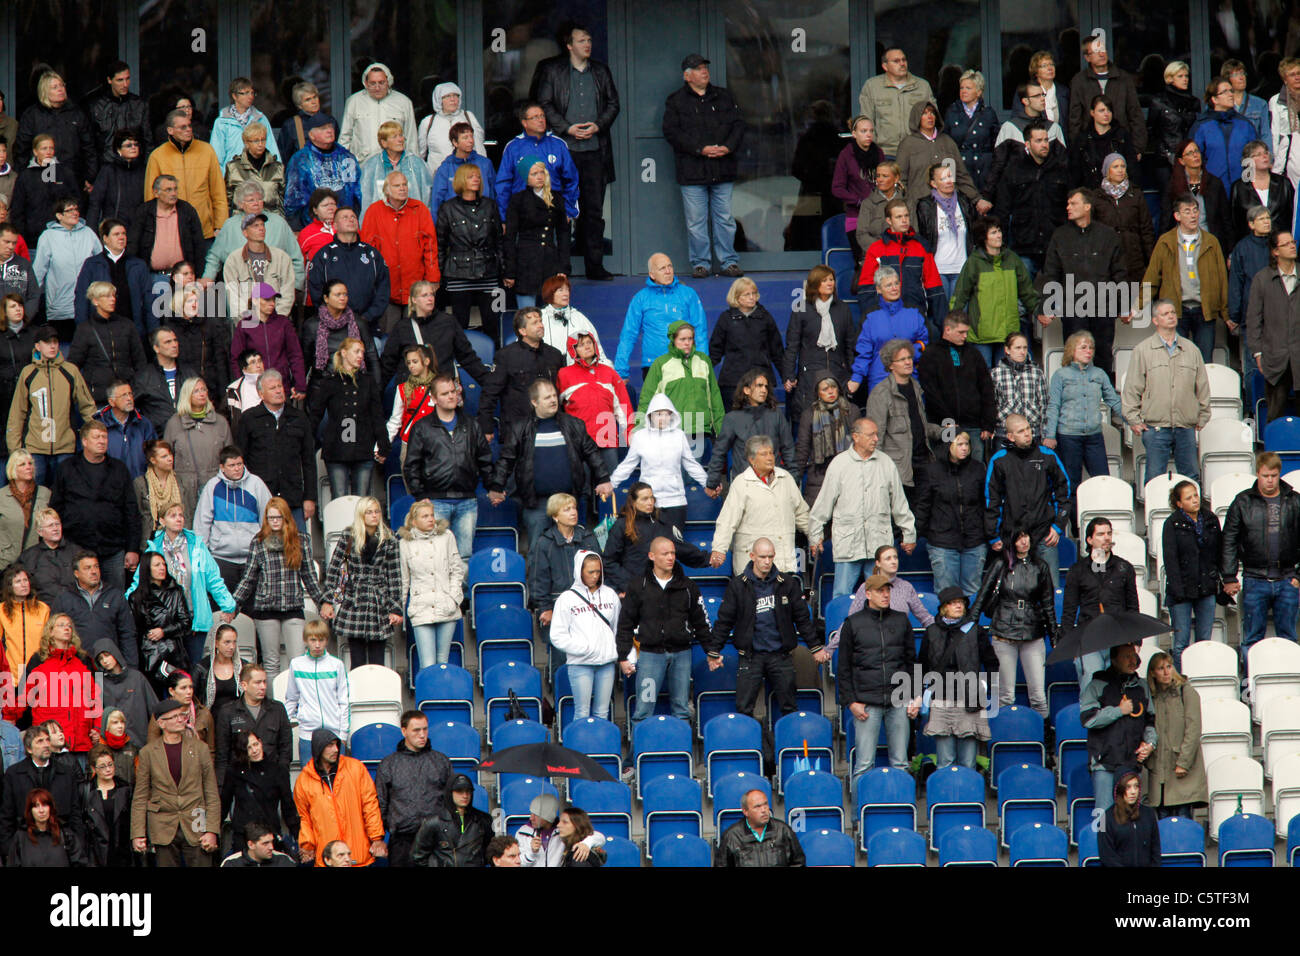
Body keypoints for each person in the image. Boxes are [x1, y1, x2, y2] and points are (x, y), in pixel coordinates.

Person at [707, 537, 818, 747]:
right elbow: (724, 620)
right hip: (751, 656)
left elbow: (803, 618)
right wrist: (714, 650)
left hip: (781, 656)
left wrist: (815, 647)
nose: (767, 561)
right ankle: (747, 751)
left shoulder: (787, 583)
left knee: (789, 707)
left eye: (770, 557)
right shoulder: (738, 585)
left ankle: (789, 750)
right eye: (762, 557)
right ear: (752, 556)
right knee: (744, 708)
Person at [533, 22, 620, 279]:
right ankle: (562, 266)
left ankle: (594, 265)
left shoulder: (601, 71)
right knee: (559, 209)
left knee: (593, 211)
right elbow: (544, 104)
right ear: (569, 45)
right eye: (582, 40)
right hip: (564, 150)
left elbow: (614, 104)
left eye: (589, 40)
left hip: (595, 150)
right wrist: (567, 128)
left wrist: (598, 125)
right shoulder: (553, 70)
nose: (588, 44)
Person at [488, 378, 612, 547]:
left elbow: (592, 453)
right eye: (547, 397)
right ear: (534, 402)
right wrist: (496, 486)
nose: (554, 400)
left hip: (569, 501)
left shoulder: (573, 424)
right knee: (537, 551)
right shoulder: (520, 427)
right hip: (536, 504)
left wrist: (603, 479)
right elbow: (507, 459)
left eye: (554, 395)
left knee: (571, 552)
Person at [807, 417, 914, 599]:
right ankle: (840, 628)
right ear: (855, 437)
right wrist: (814, 536)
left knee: (883, 596)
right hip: (848, 543)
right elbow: (823, 505)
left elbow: (900, 504)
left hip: (878, 545)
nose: (876, 439)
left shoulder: (886, 463)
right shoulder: (839, 464)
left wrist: (909, 534)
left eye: (876, 435)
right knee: (841, 597)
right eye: (871, 435)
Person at [662, 55, 745, 278]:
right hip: (692, 171)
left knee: (725, 219)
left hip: (722, 168)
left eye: (705, 67)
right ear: (686, 76)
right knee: (696, 222)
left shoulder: (724, 96)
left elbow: (739, 125)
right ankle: (701, 264)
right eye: (698, 69)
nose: (704, 71)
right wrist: (700, 149)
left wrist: (727, 147)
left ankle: (728, 262)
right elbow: (672, 132)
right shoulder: (676, 101)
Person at [230, 495, 327, 686]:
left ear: (286, 518)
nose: (274, 522)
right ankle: (276, 708)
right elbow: (248, 578)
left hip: (293, 605)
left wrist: (322, 602)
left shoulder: (301, 541)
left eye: (278, 517)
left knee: (297, 662)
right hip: (266, 608)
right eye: (270, 518)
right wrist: (233, 604)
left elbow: (309, 576)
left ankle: (296, 707)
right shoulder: (258, 542)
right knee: (271, 664)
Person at [616, 536, 712, 728]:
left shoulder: (688, 587)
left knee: (682, 710)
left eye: (673, 553)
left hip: (682, 654)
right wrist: (623, 656)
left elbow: (701, 622)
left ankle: (683, 756)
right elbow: (625, 624)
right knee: (643, 711)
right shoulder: (638, 586)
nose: (671, 557)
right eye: (665, 553)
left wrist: (712, 651)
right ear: (652, 556)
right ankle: (637, 757)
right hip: (651, 656)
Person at [1221, 452, 1300, 673]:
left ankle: (1290, 680)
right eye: (1265, 475)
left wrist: (1298, 575)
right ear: (1257, 473)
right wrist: (1229, 576)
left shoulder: (1295, 501)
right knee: (1252, 638)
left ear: (1279, 474)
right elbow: (1229, 539)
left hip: (1287, 578)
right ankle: (1251, 683)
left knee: (1288, 637)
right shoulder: (1242, 501)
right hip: (1255, 577)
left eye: (1274, 475)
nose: (1270, 480)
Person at [967, 527, 1058, 720]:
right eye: (1019, 538)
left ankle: (1043, 738)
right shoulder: (1001, 564)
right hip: (1004, 630)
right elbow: (983, 595)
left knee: (1039, 696)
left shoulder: (1040, 566)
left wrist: (1054, 635)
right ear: (1012, 542)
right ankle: (1001, 734)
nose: (1024, 541)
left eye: (1026, 537)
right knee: (1006, 696)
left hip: (1033, 631)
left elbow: (1048, 602)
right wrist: (970, 624)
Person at [402, 372, 492, 562]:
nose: (451, 396)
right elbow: (411, 465)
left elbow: (484, 459)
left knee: (465, 556)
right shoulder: (422, 427)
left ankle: (462, 593)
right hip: (435, 502)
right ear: (433, 398)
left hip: (467, 501)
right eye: (445, 394)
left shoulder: (472, 425)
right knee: (436, 557)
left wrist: (494, 487)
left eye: (453, 391)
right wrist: (420, 496)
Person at [1121, 299, 1212, 486]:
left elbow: (1202, 386)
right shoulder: (1143, 350)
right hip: (1155, 427)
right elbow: (1132, 388)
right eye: (1165, 314)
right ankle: (1154, 515)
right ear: (1155, 320)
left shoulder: (1191, 349)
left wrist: (1203, 416)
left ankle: (1190, 516)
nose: (1171, 316)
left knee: (1191, 478)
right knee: (1155, 480)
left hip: (1185, 426)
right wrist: (1133, 420)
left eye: (1172, 312)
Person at [1131, 193, 1228, 366]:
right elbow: (1152, 278)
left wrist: (1227, 314)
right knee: (1176, 363)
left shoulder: (1211, 242)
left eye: (1195, 210)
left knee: (1204, 363)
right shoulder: (1165, 242)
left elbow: (1222, 280)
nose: (1193, 215)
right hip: (1176, 311)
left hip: (1204, 311)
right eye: (1187, 211)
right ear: (1177, 216)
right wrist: (1137, 307)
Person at [1038, 189, 1126, 377]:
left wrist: (1124, 306)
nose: (1068, 207)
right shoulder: (1060, 236)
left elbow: (1119, 273)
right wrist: (1046, 305)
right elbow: (1051, 273)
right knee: (1073, 356)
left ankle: (1105, 401)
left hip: (1103, 307)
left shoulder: (1108, 235)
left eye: (1073, 203)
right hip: (1072, 308)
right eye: (1068, 204)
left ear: (1087, 207)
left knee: (1103, 355)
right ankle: (1073, 399)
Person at [836, 573, 915, 776]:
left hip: (898, 700)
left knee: (901, 764)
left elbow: (911, 662)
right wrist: (851, 701)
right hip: (866, 702)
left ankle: (901, 806)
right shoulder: (853, 623)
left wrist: (915, 696)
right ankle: (859, 809)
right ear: (868, 594)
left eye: (888, 590)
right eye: (880, 591)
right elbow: (843, 667)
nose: (886, 594)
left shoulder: (901, 620)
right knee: (863, 766)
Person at [129, 697, 221, 866]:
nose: (180, 720)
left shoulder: (201, 749)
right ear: (161, 723)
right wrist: (138, 833)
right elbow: (140, 796)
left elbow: (211, 792)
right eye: (174, 717)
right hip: (162, 825)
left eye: (182, 715)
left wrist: (212, 830)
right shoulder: (148, 753)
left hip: (196, 822)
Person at [50, 422, 140, 591]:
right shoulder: (67, 468)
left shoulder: (119, 469)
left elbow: (131, 511)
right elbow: (56, 507)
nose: (102, 441)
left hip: (112, 549)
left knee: (114, 600)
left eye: (104, 437)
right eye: (96, 437)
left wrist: (133, 548)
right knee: (78, 600)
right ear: (84, 441)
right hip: (76, 548)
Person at [914, 587, 997, 769]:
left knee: (968, 762)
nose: (959, 606)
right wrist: (919, 694)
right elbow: (921, 666)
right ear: (944, 607)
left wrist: (985, 685)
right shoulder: (932, 632)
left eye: (961, 602)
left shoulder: (976, 631)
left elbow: (992, 662)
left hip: (970, 699)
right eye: (953, 603)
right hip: (941, 698)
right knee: (945, 762)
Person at [984, 413, 1070, 584]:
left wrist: (1058, 525)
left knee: (1050, 589)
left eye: (1029, 429)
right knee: (1016, 591)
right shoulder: (999, 460)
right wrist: (993, 535)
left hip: (1045, 535)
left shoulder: (1048, 455)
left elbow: (1064, 491)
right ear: (1010, 436)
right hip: (1013, 538)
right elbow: (991, 500)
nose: (1027, 433)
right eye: (1021, 431)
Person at [8, 326, 97, 488]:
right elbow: (17, 413)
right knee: (33, 495)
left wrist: (97, 435)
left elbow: (87, 407)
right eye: (47, 342)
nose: (52, 346)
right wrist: (15, 450)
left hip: (65, 446)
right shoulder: (28, 373)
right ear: (37, 346)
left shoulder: (70, 371)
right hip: (35, 449)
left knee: (66, 493)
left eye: (55, 342)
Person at [710, 435, 809, 574]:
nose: (770, 457)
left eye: (771, 453)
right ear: (752, 460)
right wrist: (719, 549)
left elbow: (801, 513)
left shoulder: (786, 478)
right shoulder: (741, 483)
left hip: (783, 563)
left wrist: (815, 537)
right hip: (752, 568)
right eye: (763, 454)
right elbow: (727, 521)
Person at [322, 497, 402, 668]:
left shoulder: (390, 539)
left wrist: (395, 607)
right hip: (354, 600)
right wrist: (329, 600)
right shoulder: (349, 536)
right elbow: (336, 568)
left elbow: (394, 576)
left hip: (378, 600)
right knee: (356, 661)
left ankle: (375, 694)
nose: (374, 515)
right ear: (361, 514)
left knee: (378, 661)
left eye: (377, 511)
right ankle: (356, 694)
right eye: (369, 512)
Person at [234, 370, 318, 531]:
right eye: (272, 388)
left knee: (297, 548)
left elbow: (308, 461)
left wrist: (309, 498)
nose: (279, 391)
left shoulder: (299, 418)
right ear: (261, 393)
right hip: (260, 498)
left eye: (280, 386)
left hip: (293, 498)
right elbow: (240, 460)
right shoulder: (249, 419)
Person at [1043, 331, 1125, 495]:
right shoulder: (1060, 375)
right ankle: (1073, 520)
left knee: (1103, 480)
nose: (1089, 351)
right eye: (1083, 347)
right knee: (1071, 483)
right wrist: (1050, 435)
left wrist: (1133, 421)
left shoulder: (1099, 374)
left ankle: (1101, 518)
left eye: (1091, 348)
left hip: (1094, 436)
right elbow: (1054, 406)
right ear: (1072, 350)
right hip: (1068, 437)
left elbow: (1113, 400)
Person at [609, 394, 708, 529]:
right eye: (658, 414)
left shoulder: (679, 435)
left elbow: (691, 464)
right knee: (648, 544)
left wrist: (709, 484)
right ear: (650, 415)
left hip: (675, 500)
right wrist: (611, 483)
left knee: (673, 545)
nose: (663, 418)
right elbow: (627, 465)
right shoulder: (640, 436)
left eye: (667, 414)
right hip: (647, 501)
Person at [1062, 516, 1140, 683]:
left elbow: (1132, 606)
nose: (1106, 537)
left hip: (1118, 637)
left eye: (1109, 533)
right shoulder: (1077, 570)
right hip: (1089, 637)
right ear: (1089, 539)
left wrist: (1136, 639)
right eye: (1100, 534)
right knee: (1092, 679)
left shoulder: (1124, 568)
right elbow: (1069, 609)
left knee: (1117, 686)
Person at [360, 171, 439, 334]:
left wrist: (432, 279)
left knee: (419, 335)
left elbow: (430, 247)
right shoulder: (373, 212)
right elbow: (367, 253)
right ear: (387, 190)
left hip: (415, 286)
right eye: (397, 186)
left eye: (404, 185)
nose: (402, 189)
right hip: (386, 288)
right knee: (390, 335)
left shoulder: (420, 209)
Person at [1081, 644, 1156, 813]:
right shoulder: (1097, 685)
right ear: (1114, 660)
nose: (1132, 660)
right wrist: (1118, 711)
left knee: (1131, 816)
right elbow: (1087, 718)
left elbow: (1150, 720)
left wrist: (1150, 744)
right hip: (1104, 763)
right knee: (1103, 817)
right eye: (1126, 657)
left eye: (1133, 656)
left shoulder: (1142, 686)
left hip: (1132, 762)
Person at [293, 729, 386, 867]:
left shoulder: (355, 768)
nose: (336, 749)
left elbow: (370, 805)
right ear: (319, 748)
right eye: (330, 745)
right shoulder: (303, 781)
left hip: (357, 855)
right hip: (328, 859)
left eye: (337, 744)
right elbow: (305, 818)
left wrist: (376, 838)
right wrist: (307, 845)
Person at [308, 338, 388, 498]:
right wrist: (307, 442)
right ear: (344, 353)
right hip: (337, 447)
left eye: (362, 353)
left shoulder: (368, 381)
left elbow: (377, 415)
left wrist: (383, 443)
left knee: (362, 500)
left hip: (363, 445)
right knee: (339, 497)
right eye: (356, 351)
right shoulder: (329, 382)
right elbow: (315, 415)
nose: (361, 356)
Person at [612, 254, 708, 384]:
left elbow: (700, 330)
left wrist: (703, 364)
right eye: (662, 268)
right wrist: (620, 371)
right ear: (652, 274)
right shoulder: (640, 298)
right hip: (653, 365)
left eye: (670, 266)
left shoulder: (688, 294)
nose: (668, 271)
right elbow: (628, 335)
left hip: (685, 361)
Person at [911, 431, 986, 596]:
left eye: (967, 444)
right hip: (942, 542)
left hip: (974, 540)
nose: (965, 448)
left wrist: (989, 533)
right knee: (946, 595)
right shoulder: (931, 471)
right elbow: (923, 506)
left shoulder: (978, 469)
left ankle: (971, 624)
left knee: (973, 593)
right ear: (948, 446)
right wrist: (914, 535)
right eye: (959, 444)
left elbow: (986, 503)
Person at [435, 163, 502, 344]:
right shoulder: (448, 208)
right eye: (471, 176)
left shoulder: (490, 205)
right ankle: (460, 363)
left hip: (489, 271)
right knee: (459, 323)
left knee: (493, 323)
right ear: (461, 180)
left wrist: (504, 270)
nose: (476, 180)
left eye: (478, 177)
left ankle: (495, 361)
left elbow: (499, 241)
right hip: (458, 272)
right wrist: (438, 275)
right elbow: (440, 244)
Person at [916, 311, 997, 464]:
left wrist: (988, 423)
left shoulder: (974, 354)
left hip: (973, 426)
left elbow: (987, 389)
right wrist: (947, 419)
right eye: (961, 332)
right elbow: (930, 391)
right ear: (947, 330)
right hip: (945, 424)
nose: (965, 336)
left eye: (966, 332)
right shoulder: (931, 354)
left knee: (975, 468)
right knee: (945, 465)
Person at [991, 123, 1069, 279]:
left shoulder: (1060, 169)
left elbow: (1069, 206)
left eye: (1046, 140)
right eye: (1039, 141)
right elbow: (1003, 210)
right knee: (1023, 298)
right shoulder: (1014, 170)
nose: (1044, 145)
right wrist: (1003, 245)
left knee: (1055, 299)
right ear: (1027, 144)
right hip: (1023, 245)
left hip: (1053, 245)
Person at [375, 710, 452, 868]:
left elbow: (452, 799)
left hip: (436, 839)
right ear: (404, 731)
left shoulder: (441, 761)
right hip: (402, 841)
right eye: (416, 730)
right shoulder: (389, 764)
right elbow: (380, 803)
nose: (422, 734)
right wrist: (378, 838)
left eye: (425, 729)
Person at [865, 339, 941, 499]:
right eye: (902, 359)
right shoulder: (881, 393)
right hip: (898, 469)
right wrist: (875, 471)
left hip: (923, 462)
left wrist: (946, 432)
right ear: (890, 365)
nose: (908, 362)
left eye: (909, 358)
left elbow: (919, 425)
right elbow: (874, 436)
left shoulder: (916, 387)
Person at [856, 201, 947, 333]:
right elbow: (866, 288)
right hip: (885, 317)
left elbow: (934, 286)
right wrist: (872, 319)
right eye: (899, 217)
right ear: (889, 220)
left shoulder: (921, 247)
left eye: (906, 216)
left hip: (916, 313)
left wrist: (944, 326)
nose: (904, 220)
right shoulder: (876, 249)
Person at [379, 279, 489, 387]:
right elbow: (388, 364)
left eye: (432, 294)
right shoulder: (402, 327)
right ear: (414, 300)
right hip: (415, 391)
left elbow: (467, 357)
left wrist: (491, 385)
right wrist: (376, 397)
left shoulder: (448, 322)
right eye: (424, 295)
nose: (430, 299)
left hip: (444, 390)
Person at [549, 550, 620, 720]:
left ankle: (599, 747)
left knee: (602, 714)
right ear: (579, 571)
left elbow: (617, 629)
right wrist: (583, 648)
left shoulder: (610, 595)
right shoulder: (566, 599)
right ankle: (579, 747)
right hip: (580, 664)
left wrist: (619, 653)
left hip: (607, 663)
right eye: (590, 572)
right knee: (582, 713)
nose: (595, 576)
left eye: (598, 571)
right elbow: (557, 635)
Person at [193, 444, 271, 595]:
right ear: (222, 467)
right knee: (222, 609)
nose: (237, 468)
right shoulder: (212, 486)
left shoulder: (256, 484)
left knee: (250, 610)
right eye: (232, 465)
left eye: (239, 464)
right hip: (221, 559)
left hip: (252, 558)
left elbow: (267, 519)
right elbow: (202, 524)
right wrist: (204, 556)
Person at [784, 265, 855, 427]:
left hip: (837, 373)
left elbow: (850, 344)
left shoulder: (843, 308)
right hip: (809, 376)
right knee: (810, 424)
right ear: (815, 284)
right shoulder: (801, 307)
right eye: (824, 280)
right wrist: (789, 375)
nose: (830, 283)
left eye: (831, 280)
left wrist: (852, 374)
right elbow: (792, 345)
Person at [1163, 480, 1223, 672]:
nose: (1195, 500)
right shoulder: (1171, 523)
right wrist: (1179, 591)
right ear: (1179, 503)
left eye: (1195, 495)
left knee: (1204, 640)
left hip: (1206, 588)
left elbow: (1219, 552)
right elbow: (1170, 560)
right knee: (1181, 642)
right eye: (1189, 498)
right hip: (1181, 591)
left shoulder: (1211, 519)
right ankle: (1183, 679)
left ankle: (1201, 675)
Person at [477, 307, 564, 438]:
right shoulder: (505, 356)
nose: (541, 325)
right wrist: (486, 426)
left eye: (540, 321)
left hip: (550, 427)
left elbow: (563, 392)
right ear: (522, 331)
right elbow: (489, 393)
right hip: (517, 431)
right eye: (535, 323)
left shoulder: (555, 355)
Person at [143, 108, 228, 242]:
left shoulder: (207, 151)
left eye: (189, 125)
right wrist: (154, 228)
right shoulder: (157, 156)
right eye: (183, 127)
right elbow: (151, 198)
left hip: (205, 230)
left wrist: (220, 226)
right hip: (171, 231)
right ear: (170, 130)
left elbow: (218, 192)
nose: (188, 129)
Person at [398, 499, 463, 669]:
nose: (430, 519)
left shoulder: (447, 536)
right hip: (421, 608)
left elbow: (457, 569)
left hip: (446, 604)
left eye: (432, 515)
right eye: (425, 516)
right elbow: (404, 580)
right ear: (414, 521)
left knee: (443, 662)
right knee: (427, 664)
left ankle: (442, 696)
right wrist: (399, 608)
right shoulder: (405, 544)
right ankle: (427, 696)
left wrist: (454, 599)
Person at [494, 102, 580, 229]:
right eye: (535, 117)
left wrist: (568, 210)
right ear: (524, 122)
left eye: (542, 116)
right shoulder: (513, 147)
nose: (541, 120)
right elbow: (503, 184)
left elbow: (571, 180)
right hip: (522, 214)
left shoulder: (558, 145)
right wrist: (505, 217)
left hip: (554, 212)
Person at [895, 103, 986, 223]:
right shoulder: (907, 144)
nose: (930, 116)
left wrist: (976, 199)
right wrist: (905, 208)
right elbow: (900, 181)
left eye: (932, 112)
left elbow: (961, 175)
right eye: (925, 113)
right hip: (919, 209)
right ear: (916, 117)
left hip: (949, 206)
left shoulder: (947, 142)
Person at [638, 320, 726, 443]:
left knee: (696, 462)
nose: (687, 343)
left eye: (690, 339)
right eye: (682, 339)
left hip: (700, 430)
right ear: (673, 340)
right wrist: (640, 430)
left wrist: (720, 430)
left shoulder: (704, 361)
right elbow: (646, 400)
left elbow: (715, 398)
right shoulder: (661, 364)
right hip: (670, 432)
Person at [1146, 651, 1209, 820]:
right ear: (1152, 672)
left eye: (1169, 666)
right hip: (1160, 773)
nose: (1167, 672)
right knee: (1162, 824)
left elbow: (1193, 729)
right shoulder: (1151, 697)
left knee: (1182, 819)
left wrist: (1184, 762)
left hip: (1181, 771)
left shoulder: (1186, 692)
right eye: (1161, 668)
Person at [557, 331, 632, 473]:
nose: (587, 347)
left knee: (610, 486)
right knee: (583, 489)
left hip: (607, 438)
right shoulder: (564, 374)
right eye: (581, 345)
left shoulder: (609, 372)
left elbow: (623, 405)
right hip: (579, 441)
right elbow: (557, 409)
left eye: (589, 343)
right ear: (573, 351)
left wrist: (629, 432)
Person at [0, 724, 84, 849]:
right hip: (26, 843)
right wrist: (9, 849)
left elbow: (75, 813)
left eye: (47, 740)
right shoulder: (14, 775)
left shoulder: (66, 773)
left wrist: (78, 845)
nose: (46, 744)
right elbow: (7, 816)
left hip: (60, 842)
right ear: (29, 749)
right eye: (40, 741)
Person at [707, 370, 795, 488]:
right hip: (745, 485)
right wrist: (712, 483)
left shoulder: (776, 415)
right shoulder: (732, 418)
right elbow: (719, 452)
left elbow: (788, 449)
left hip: (774, 484)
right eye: (759, 386)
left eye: (766, 386)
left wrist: (793, 479)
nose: (764, 390)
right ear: (746, 390)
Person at [501, 159, 568, 312]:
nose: (539, 177)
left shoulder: (556, 198)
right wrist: (510, 270)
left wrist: (563, 266)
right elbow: (510, 237)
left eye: (541, 172)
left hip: (550, 261)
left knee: (552, 315)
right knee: (528, 315)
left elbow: (563, 234)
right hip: (526, 262)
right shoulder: (518, 200)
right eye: (534, 174)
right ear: (526, 177)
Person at [1247, 231, 1300, 422]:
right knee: (1275, 414)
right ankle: (1274, 450)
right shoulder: (1262, 279)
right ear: (1275, 251)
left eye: (1293, 242)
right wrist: (1258, 353)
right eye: (1286, 244)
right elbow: (1253, 320)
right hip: (1275, 357)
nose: (1292, 246)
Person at [306, 207, 388, 332]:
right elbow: (316, 291)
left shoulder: (371, 254)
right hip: (334, 326)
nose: (350, 220)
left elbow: (383, 289)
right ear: (335, 226)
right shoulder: (324, 255)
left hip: (368, 325)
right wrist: (333, 316)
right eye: (345, 217)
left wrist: (367, 317)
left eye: (353, 217)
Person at [848, 267, 927, 395]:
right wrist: (856, 377)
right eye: (888, 285)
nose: (894, 288)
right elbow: (863, 350)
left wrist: (908, 356)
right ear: (879, 289)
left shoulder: (914, 312)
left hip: (909, 377)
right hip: (879, 379)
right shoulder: (871, 316)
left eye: (896, 283)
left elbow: (924, 342)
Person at [213, 661, 292, 786]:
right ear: (244, 685)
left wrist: (281, 776)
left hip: (271, 780)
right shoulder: (228, 712)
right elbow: (222, 755)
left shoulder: (277, 709)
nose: (263, 686)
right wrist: (223, 787)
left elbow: (286, 749)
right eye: (257, 682)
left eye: (264, 682)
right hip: (240, 782)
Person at [66, 282, 145, 405]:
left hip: (127, 392)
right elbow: (73, 364)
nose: (112, 299)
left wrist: (137, 386)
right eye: (107, 296)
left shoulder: (127, 325)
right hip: (98, 395)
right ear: (95, 301)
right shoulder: (85, 329)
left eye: (113, 296)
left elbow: (140, 360)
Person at [284, 620, 350, 767]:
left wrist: (343, 733)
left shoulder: (337, 665)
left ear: (327, 640)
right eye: (313, 640)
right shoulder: (296, 664)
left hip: (334, 732)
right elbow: (291, 698)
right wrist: (286, 725)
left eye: (321, 640)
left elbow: (344, 701)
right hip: (308, 733)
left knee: (337, 780)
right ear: (305, 640)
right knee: (309, 781)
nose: (317, 645)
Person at [1068, 33, 1146, 157]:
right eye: (1096, 51)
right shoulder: (1079, 81)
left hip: (1122, 144)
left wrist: (1137, 148)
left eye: (1103, 49)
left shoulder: (1124, 78)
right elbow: (1075, 120)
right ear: (1087, 57)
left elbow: (1135, 114)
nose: (1101, 54)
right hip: (1091, 147)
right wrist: (1078, 150)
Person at [33, 197, 103, 336]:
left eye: (76, 209)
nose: (75, 213)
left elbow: (101, 261)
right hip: (60, 307)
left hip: (89, 305)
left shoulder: (88, 233)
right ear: (59, 216)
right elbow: (38, 272)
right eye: (69, 210)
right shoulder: (48, 236)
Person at [126, 550, 192, 696]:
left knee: (178, 696)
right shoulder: (136, 597)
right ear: (147, 569)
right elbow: (133, 631)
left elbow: (185, 622)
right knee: (154, 700)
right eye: (157, 565)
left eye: (163, 564)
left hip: (173, 652)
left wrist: (164, 631)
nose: (162, 568)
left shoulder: (176, 591)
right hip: (150, 655)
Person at [72, 218, 151, 337]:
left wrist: (152, 332)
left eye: (123, 233)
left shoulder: (138, 265)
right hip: (101, 331)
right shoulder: (92, 264)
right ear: (105, 238)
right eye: (116, 234)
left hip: (132, 330)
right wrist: (84, 331)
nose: (122, 237)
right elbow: (82, 300)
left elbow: (148, 300)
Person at [707, 277, 782, 401]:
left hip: (761, 378)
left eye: (754, 293)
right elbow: (715, 351)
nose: (752, 297)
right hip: (732, 381)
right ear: (736, 297)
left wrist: (786, 377)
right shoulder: (726, 318)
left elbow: (777, 351)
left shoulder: (765, 317)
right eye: (747, 294)